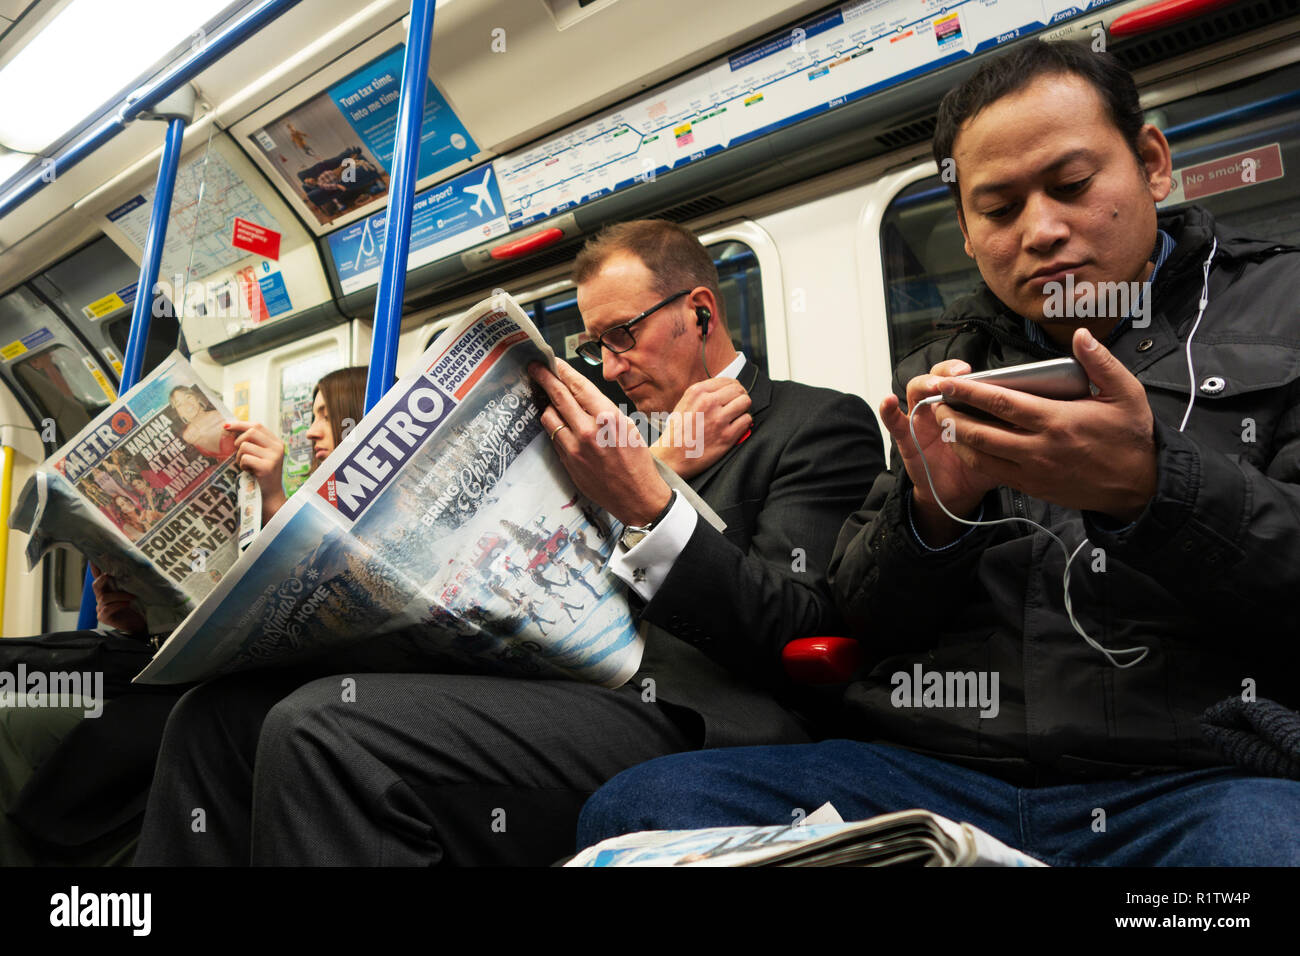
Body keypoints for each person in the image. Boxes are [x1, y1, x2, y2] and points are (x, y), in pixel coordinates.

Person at [575, 40, 1300, 866]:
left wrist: (1153, 489)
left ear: (1152, 164)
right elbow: (862, 620)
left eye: (1072, 186)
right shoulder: (939, 367)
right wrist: (931, 519)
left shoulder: (1281, 310)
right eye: (997, 209)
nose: (1042, 231)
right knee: (644, 808)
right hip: (945, 768)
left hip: (1189, 777)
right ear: (965, 229)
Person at [131, 219, 886, 866]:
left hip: (691, 705)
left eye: (625, 334)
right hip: (558, 677)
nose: (613, 367)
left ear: (698, 312)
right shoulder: (623, 439)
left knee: (325, 728)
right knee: (217, 717)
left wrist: (651, 500)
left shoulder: (816, 424)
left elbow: (802, 622)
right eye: (597, 346)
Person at [0, 367, 367, 865]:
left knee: (39, 723)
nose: (312, 429)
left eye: (327, 414)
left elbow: (315, 622)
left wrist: (274, 498)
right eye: (315, 413)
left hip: (246, 687)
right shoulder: (290, 490)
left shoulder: (335, 514)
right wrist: (135, 618)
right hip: (183, 667)